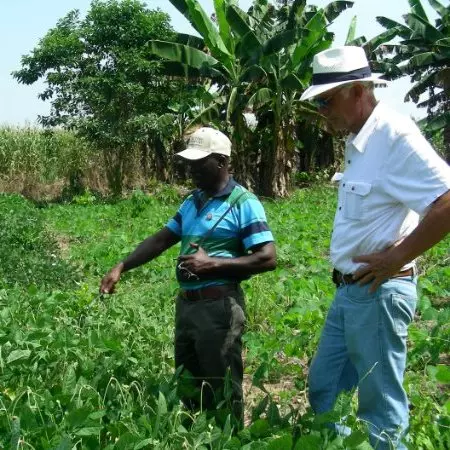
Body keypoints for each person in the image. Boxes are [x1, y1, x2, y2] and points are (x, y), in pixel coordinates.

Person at [300, 46, 450, 449]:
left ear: (358, 90)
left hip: (379, 292)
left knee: (380, 406)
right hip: (349, 291)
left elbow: (447, 200)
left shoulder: (394, 135)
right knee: (323, 388)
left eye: (327, 100)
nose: (322, 111)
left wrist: (398, 256)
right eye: (318, 103)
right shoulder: (359, 140)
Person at [100, 127, 276, 427]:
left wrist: (213, 265)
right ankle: (194, 438)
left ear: (221, 162)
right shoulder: (193, 201)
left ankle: (227, 440)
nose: (191, 169)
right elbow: (162, 239)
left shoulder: (243, 203)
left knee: (221, 385)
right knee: (189, 383)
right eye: (189, 163)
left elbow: (267, 257)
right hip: (188, 307)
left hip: (219, 309)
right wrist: (122, 266)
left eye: (199, 163)